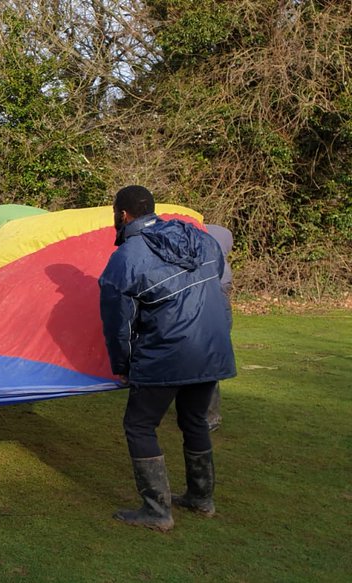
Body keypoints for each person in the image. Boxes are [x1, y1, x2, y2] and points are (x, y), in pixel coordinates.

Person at [98, 185, 236, 532]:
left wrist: (123, 365)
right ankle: (201, 498)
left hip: (167, 350)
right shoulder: (200, 238)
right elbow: (217, 283)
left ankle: (157, 511)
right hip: (210, 349)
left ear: (123, 215)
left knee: (139, 424)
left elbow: (118, 323)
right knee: (195, 420)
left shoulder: (127, 257)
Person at [205, 224, 235, 432]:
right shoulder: (223, 234)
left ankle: (209, 415)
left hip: (209, 305)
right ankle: (205, 413)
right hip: (219, 305)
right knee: (209, 361)